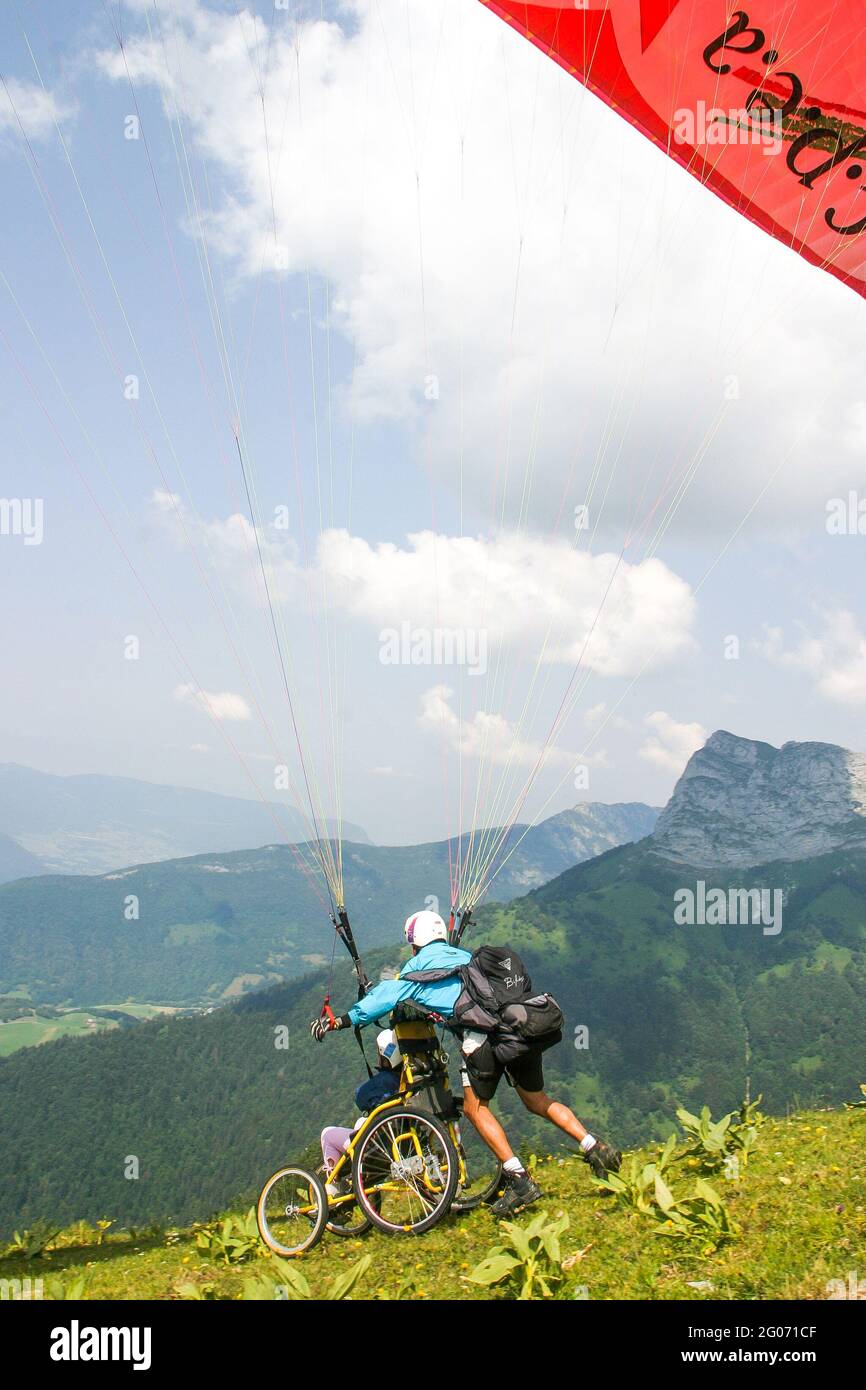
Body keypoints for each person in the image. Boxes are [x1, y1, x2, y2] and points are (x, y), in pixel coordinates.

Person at [311, 908, 621, 1216]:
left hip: (483, 1040)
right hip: (517, 1030)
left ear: (415, 944)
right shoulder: (465, 959)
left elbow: (382, 1000)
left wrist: (339, 1021)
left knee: (474, 1109)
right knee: (537, 1100)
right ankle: (595, 1147)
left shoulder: (414, 973)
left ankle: (519, 1179)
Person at [320, 1028, 402, 1195]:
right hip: (398, 1139)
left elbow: (360, 1097)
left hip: (379, 1146)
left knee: (327, 1134)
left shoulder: (385, 1080)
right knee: (359, 1123)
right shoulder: (406, 1078)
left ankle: (334, 1189)